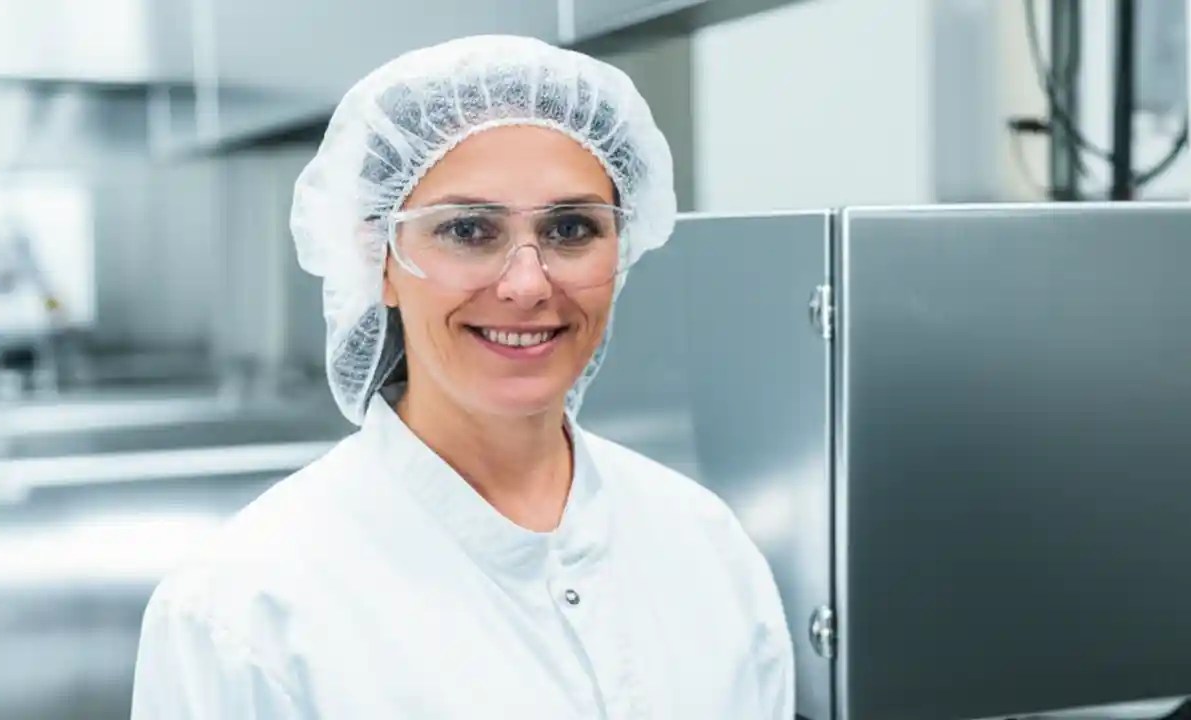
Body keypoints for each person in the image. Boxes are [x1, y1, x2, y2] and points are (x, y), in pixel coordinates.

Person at [131, 34, 794, 719]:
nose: (528, 284)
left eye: (571, 228)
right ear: (378, 259)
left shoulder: (705, 545)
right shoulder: (244, 615)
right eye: (470, 230)